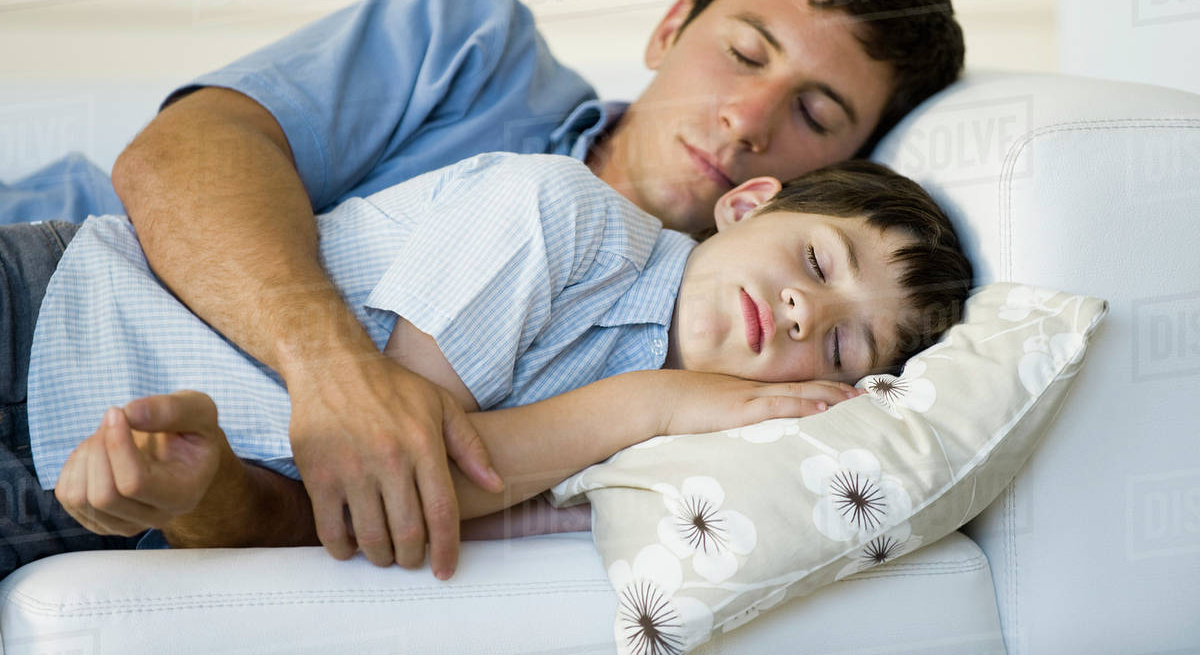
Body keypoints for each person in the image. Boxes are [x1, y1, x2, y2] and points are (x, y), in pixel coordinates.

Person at [0, 0, 966, 577]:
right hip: (55, 296)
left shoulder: (707, 385)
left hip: (113, 465)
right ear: (672, 25)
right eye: (744, 52)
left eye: (819, 111)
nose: (749, 116)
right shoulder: (477, 57)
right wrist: (340, 373)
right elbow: (177, 157)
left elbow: (349, 511)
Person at [1, 152, 971, 579]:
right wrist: (655, 401)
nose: (806, 312)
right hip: (54, 320)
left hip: (115, 489)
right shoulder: (567, 220)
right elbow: (385, 464)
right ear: (748, 204)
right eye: (814, 263)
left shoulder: (679, 453)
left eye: (839, 344)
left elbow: (379, 526)